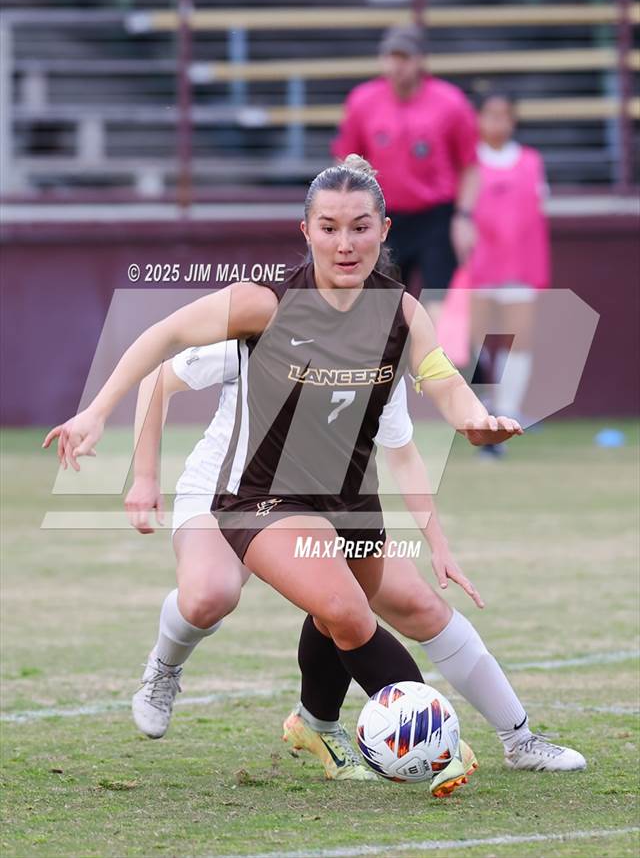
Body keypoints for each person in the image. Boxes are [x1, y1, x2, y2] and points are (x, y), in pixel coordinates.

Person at [44, 154, 526, 799]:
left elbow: (441, 386)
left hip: (346, 500)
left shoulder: (402, 316)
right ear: (305, 231)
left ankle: (482, 736)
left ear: (385, 229)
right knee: (243, 599)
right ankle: (437, 742)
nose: (345, 242)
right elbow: (159, 341)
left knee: (389, 606)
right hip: (255, 493)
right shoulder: (262, 305)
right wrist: (100, 415)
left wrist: (477, 421)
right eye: (328, 227)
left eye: (360, 226)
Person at [125, 340, 586, 777]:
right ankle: (164, 668)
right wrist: (145, 476)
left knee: (416, 606)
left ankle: (519, 740)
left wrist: (438, 542)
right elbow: (158, 379)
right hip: (225, 493)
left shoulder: (380, 353)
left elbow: (403, 455)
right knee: (211, 595)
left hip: (324, 503)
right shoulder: (267, 323)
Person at [332, 25, 479, 323]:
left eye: (405, 57)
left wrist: (463, 217)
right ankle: (385, 368)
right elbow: (346, 159)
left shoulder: (450, 103)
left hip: (435, 218)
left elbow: (471, 166)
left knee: (440, 305)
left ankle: (450, 368)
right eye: (391, 57)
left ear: (421, 60)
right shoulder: (363, 101)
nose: (397, 66)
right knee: (380, 304)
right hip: (385, 217)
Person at [466, 92, 551, 456]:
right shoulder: (468, 163)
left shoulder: (531, 161)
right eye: (490, 115)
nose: (497, 123)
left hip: (520, 265)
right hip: (478, 264)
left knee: (520, 338)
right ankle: (484, 409)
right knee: (479, 340)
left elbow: (537, 213)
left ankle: (509, 411)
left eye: (504, 116)